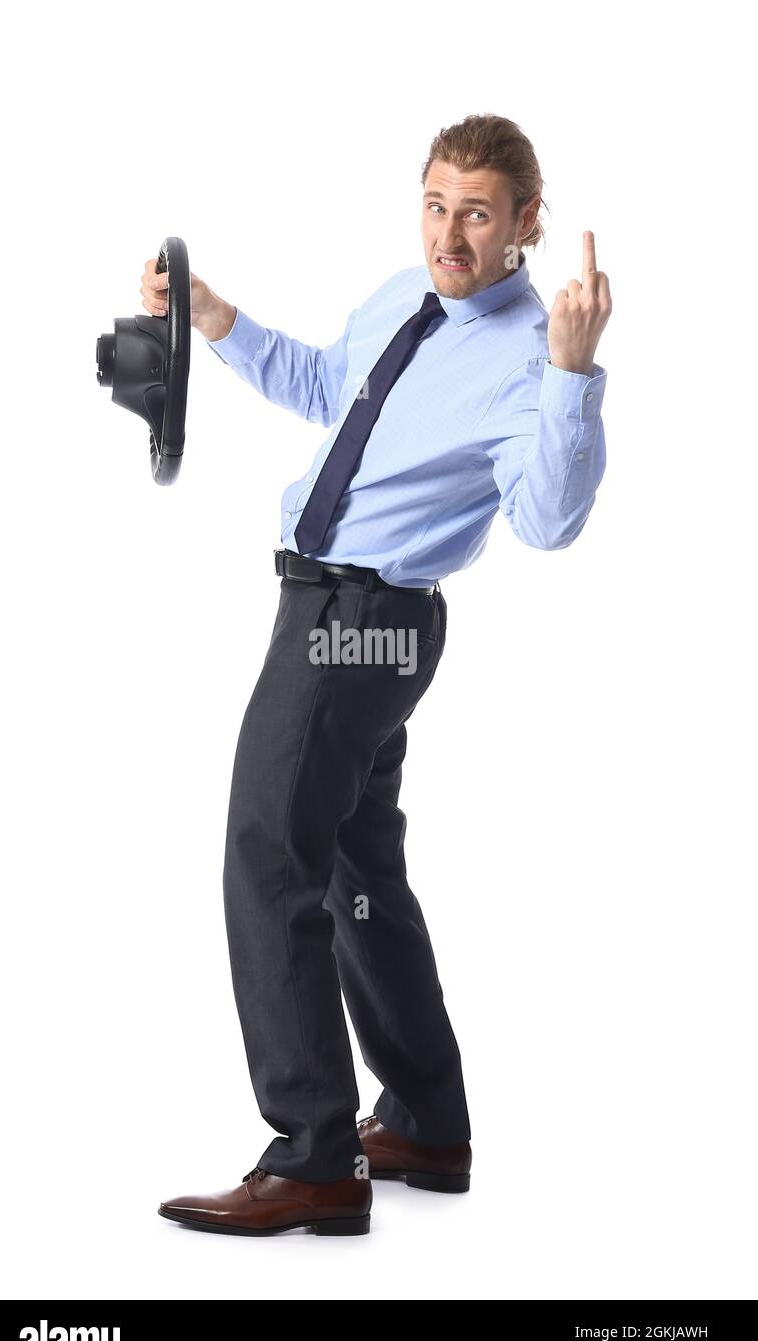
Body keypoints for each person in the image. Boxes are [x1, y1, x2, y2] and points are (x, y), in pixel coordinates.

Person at [145, 113, 612, 1238]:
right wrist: (218, 322)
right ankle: (426, 1121)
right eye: (438, 204)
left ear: (525, 224)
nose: (452, 233)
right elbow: (333, 390)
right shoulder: (405, 295)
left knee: (269, 854)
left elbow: (547, 522)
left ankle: (313, 1154)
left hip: (358, 625)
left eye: (479, 213)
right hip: (342, 610)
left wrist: (572, 371)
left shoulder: (524, 355)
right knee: (358, 871)